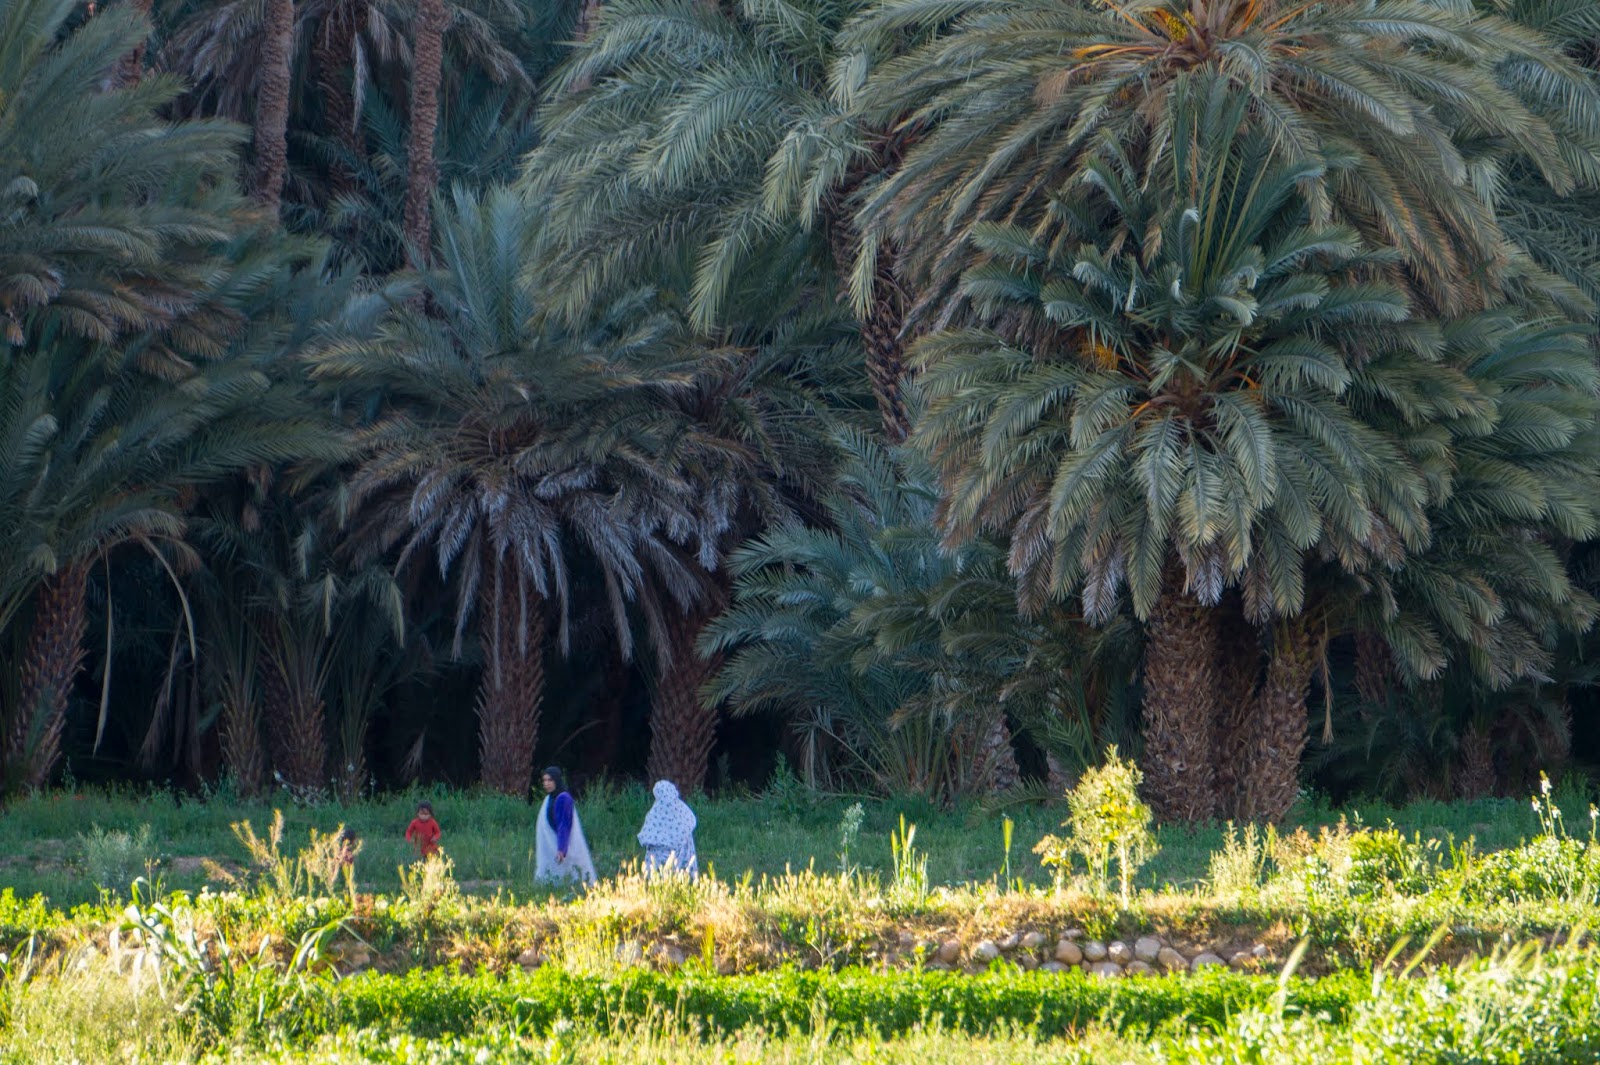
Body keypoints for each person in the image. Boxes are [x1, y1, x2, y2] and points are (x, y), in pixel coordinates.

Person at [535, 767, 595, 884]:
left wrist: (562, 849)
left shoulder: (563, 798)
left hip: (565, 845)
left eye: (550, 780)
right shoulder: (549, 799)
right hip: (553, 844)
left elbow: (564, 825)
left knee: (572, 875)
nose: (546, 784)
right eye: (544, 780)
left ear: (556, 780)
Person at [637, 779, 697, 878]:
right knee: (687, 838)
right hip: (680, 853)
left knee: (652, 851)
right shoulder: (682, 809)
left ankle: (654, 875)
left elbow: (647, 834)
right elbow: (690, 822)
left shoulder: (654, 812)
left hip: (658, 855)